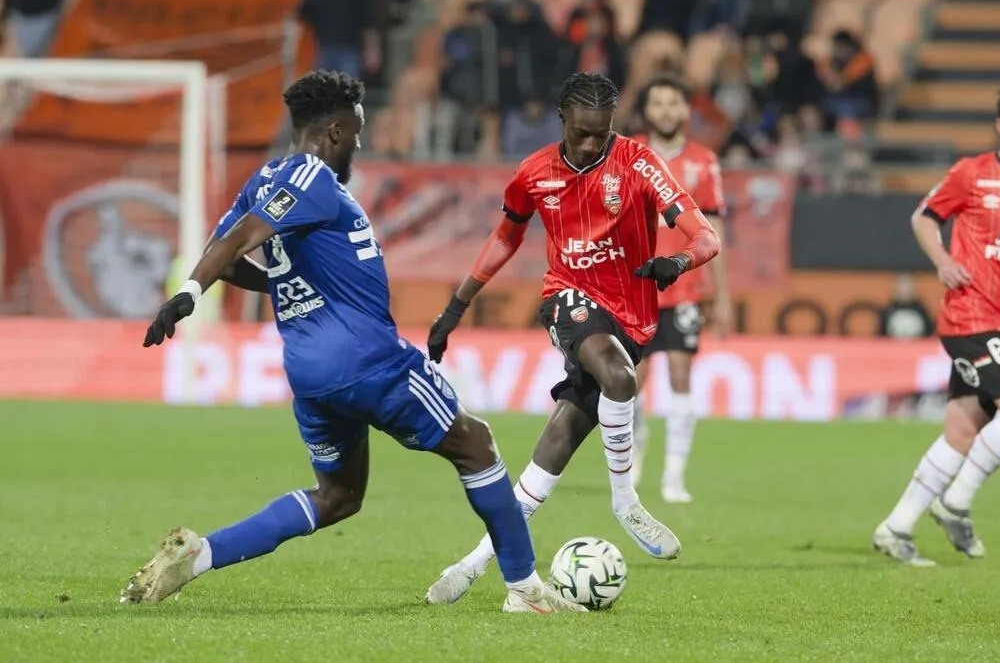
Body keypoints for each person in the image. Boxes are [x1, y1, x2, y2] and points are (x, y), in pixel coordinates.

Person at [120, 70, 584, 614]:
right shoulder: (314, 176)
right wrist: (190, 292)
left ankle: (200, 555)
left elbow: (222, 249)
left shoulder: (263, 180)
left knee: (338, 496)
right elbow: (239, 242)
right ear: (335, 131)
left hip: (309, 373)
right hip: (368, 360)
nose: (359, 146)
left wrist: (272, 280)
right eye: (357, 133)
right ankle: (525, 590)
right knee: (477, 444)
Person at [424, 72, 721, 604]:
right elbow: (505, 237)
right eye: (581, 133)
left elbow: (706, 236)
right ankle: (626, 502)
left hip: (633, 317)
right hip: (568, 296)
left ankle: (470, 566)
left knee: (555, 449)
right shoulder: (533, 172)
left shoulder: (639, 162)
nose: (590, 144)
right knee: (619, 378)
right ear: (562, 119)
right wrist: (456, 305)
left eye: (600, 134)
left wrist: (678, 261)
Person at [873, 82, 1000, 566]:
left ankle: (896, 527)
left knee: (962, 428)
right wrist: (942, 261)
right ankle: (956, 501)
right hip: (971, 315)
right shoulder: (972, 173)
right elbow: (924, 217)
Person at [630, 74, 731, 503]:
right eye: (658, 103)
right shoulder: (628, 154)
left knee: (680, 374)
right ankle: (635, 444)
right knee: (631, 381)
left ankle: (674, 476)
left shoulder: (703, 162)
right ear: (646, 110)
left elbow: (715, 230)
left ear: (687, 109)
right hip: (635, 285)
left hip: (686, 286)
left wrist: (722, 296)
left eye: (674, 103)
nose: (666, 111)